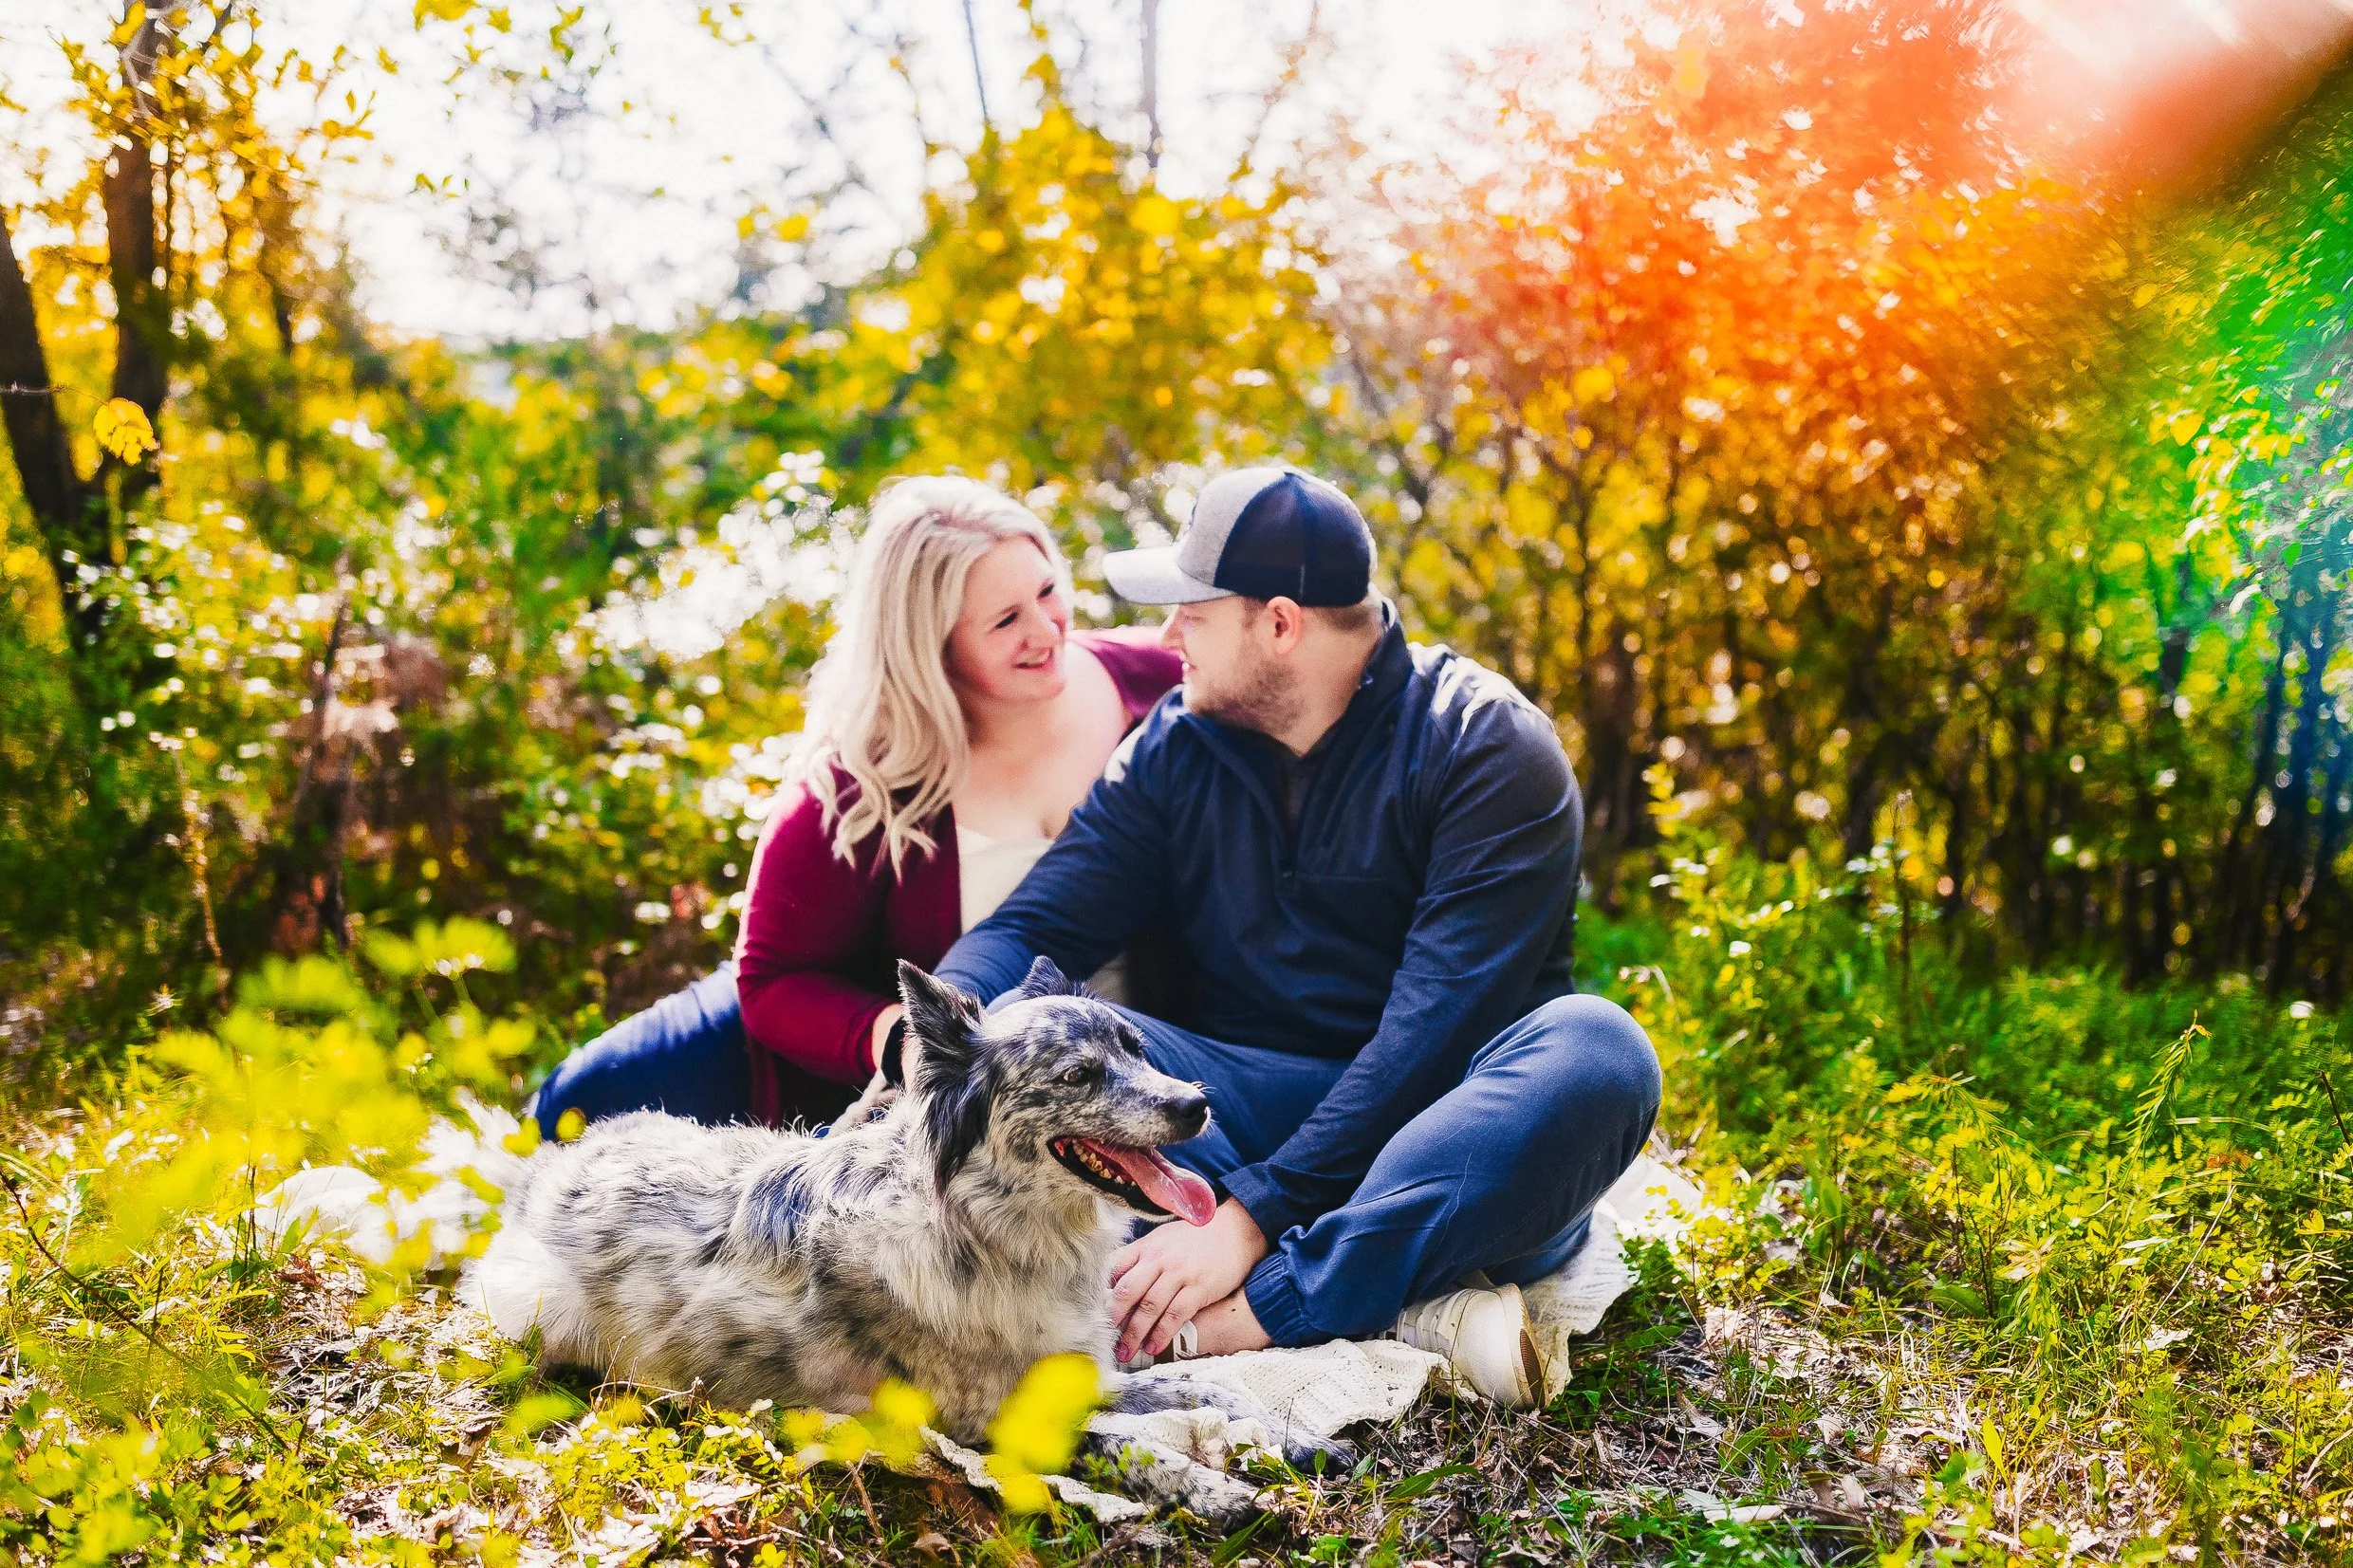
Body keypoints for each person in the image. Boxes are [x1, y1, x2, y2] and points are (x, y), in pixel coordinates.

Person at [935, 466, 1662, 1406]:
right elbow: (1043, 920)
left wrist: (1251, 1223)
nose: (1164, 637)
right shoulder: (1174, 745)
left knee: (1600, 1054)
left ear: (1278, 625)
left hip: (1445, 1141)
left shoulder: (1484, 747)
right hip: (1233, 1114)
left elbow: (1426, 1038)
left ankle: (1247, 1317)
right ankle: (1391, 1305)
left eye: (1190, 612)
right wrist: (942, 1029)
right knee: (1061, 1043)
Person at [528, 477, 1180, 1137]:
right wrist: (906, 1042)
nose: (1047, 630)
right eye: (1006, 620)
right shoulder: (861, 782)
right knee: (576, 1105)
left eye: (1046, 591)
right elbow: (772, 979)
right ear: (933, 646)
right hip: (918, 1080)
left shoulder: (1155, 680)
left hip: (1132, 1057)